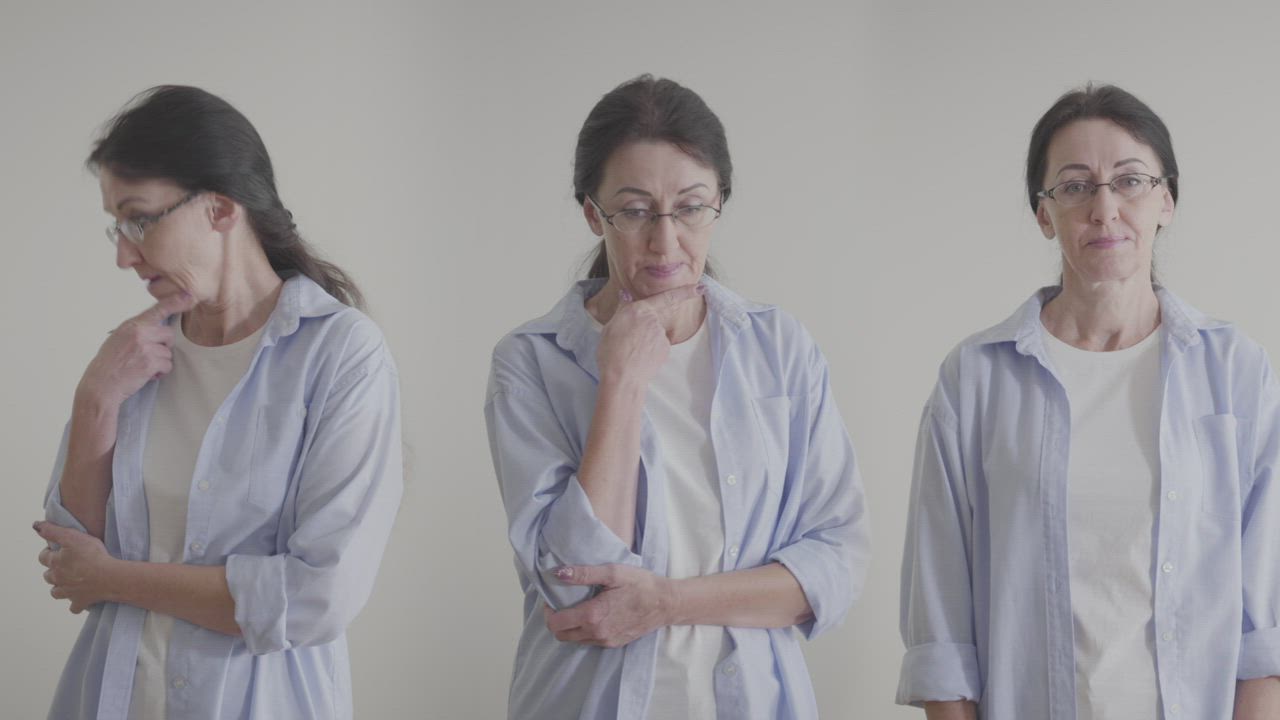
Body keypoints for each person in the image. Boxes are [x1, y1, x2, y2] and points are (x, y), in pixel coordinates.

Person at [484, 74, 869, 720]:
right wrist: (623, 382)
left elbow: (836, 562)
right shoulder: (530, 361)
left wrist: (668, 601)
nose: (665, 242)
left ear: (719, 202)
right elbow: (572, 585)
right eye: (634, 211)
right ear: (591, 212)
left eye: (690, 207)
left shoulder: (779, 348)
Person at [897, 84, 1280, 719]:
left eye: (1130, 181)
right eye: (1075, 187)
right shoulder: (975, 379)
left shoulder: (1234, 371)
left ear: (1167, 200)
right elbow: (939, 620)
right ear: (1044, 214)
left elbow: (1266, 623)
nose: (1104, 209)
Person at [35, 86, 402, 720]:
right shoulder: (131, 358)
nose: (124, 252)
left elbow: (318, 595)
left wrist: (117, 578)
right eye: (116, 225)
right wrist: (95, 400)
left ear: (222, 209)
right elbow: (71, 561)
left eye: (140, 219)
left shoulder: (341, 354)